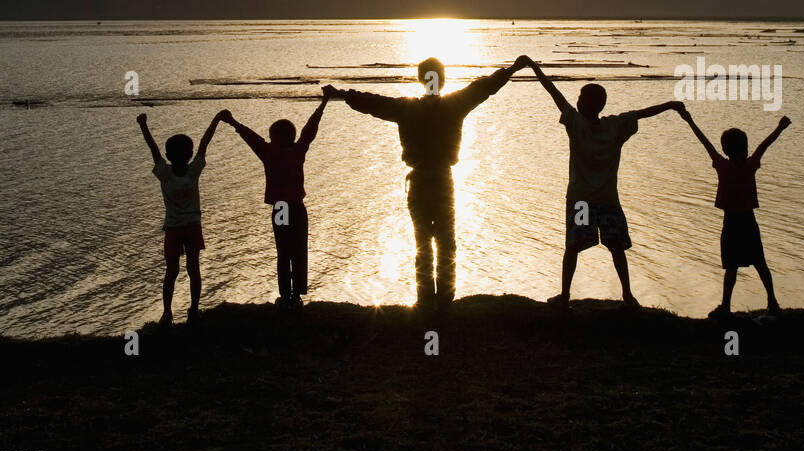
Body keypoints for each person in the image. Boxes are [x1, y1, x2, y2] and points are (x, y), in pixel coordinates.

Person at [323, 55, 530, 309]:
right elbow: (484, 87)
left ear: (423, 80)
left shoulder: (409, 107)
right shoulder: (452, 104)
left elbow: (372, 103)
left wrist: (343, 93)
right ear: (440, 80)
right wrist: (512, 69)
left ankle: (428, 298)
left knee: (425, 239)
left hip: (422, 179)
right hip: (440, 179)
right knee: (444, 239)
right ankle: (442, 297)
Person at [525, 60, 684, 307]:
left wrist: (532, 66)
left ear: (584, 103)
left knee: (573, 246)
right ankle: (628, 296)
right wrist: (671, 105)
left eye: (579, 97)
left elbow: (553, 92)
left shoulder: (576, 124)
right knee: (617, 248)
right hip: (608, 200)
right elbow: (643, 113)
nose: (576, 100)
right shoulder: (614, 126)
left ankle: (565, 296)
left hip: (580, 200)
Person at [680, 109, 791, 318]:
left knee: (732, 266)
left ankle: (726, 306)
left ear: (726, 150)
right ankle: (772, 302)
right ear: (745, 147)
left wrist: (690, 121)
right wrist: (780, 128)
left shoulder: (723, 165)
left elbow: (705, 143)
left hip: (731, 223)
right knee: (759, 263)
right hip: (748, 221)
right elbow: (764, 145)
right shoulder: (750, 164)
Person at [224, 99, 327, 310]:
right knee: (298, 251)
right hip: (297, 208)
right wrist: (322, 104)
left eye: (272, 137)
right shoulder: (297, 151)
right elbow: (309, 130)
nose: (269, 140)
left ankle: (286, 296)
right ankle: (295, 295)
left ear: (277, 138)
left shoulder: (269, 153)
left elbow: (251, 138)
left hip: (281, 208)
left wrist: (233, 122)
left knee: (284, 252)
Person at [136, 109, 230, 326]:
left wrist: (143, 125)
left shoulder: (165, 173)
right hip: (192, 226)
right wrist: (216, 119)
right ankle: (194, 310)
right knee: (193, 269)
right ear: (189, 155)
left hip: (173, 228)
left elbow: (153, 148)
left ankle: (167, 313)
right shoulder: (193, 171)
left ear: (169, 155)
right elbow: (205, 143)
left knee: (172, 272)